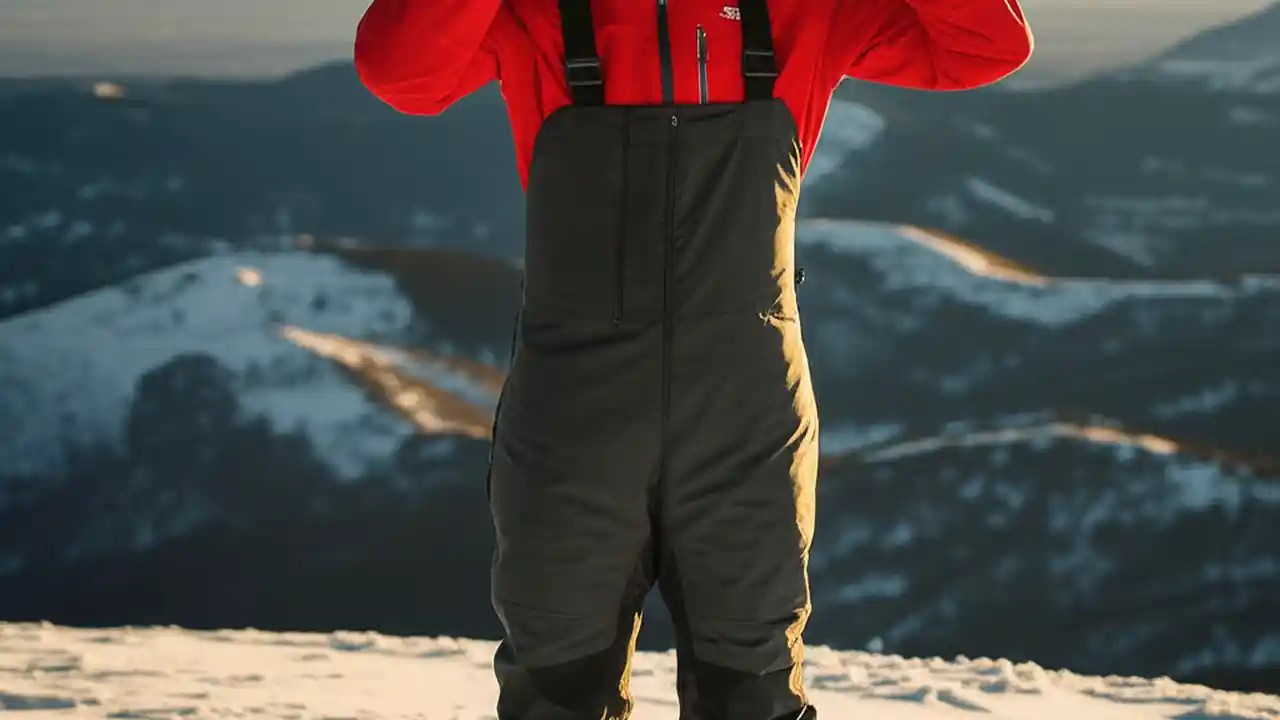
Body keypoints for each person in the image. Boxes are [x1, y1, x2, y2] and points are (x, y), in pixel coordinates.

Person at [354, 1, 1032, 717]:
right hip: (584, 414)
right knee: (556, 687)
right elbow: (403, 75)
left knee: (751, 689)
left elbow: (985, 46)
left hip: (738, 414)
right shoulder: (538, 10)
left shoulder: (809, 9)